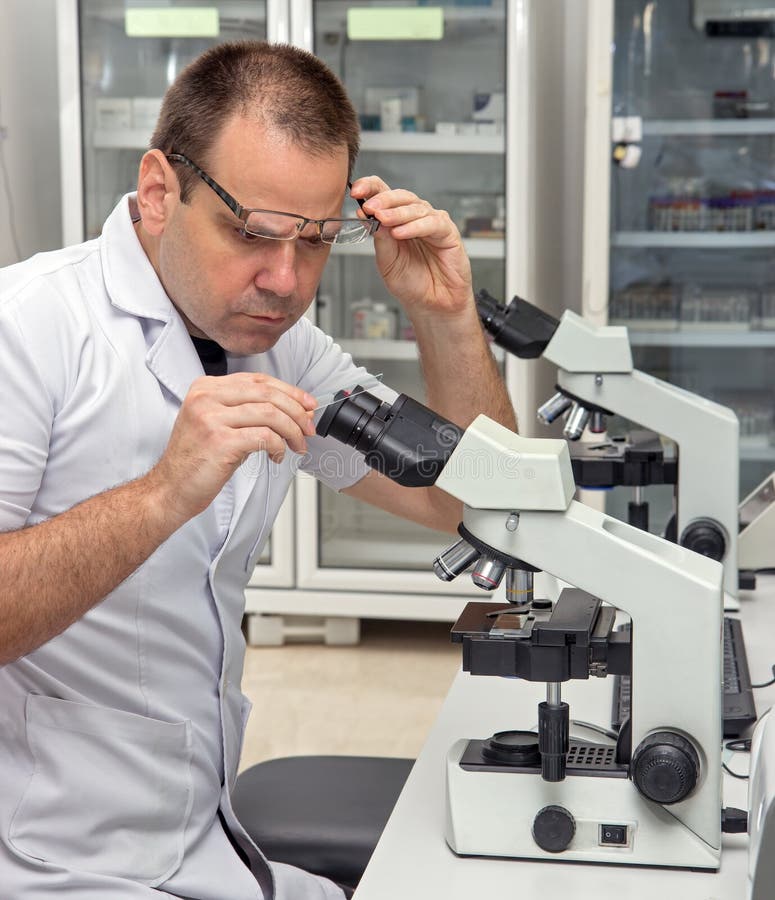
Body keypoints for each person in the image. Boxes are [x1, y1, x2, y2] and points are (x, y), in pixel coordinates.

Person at [0, 41, 516, 900]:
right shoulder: (27, 330)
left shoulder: (285, 350)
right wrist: (161, 496)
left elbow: (468, 503)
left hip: (200, 838)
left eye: (315, 242)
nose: (285, 280)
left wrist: (447, 316)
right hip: (47, 863)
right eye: (252, 233)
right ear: (159, 191)